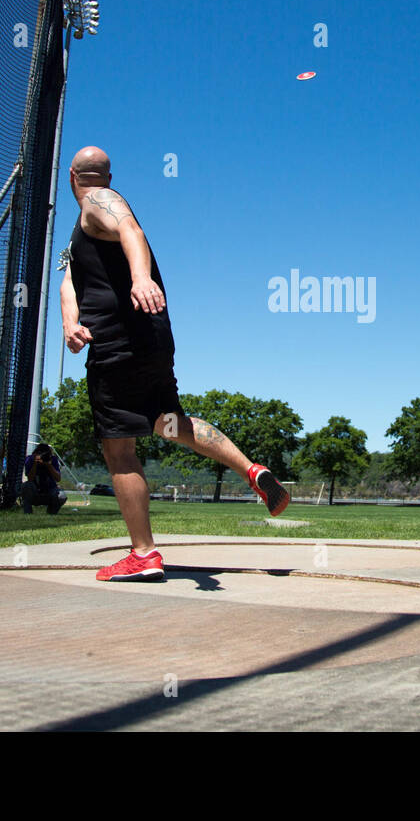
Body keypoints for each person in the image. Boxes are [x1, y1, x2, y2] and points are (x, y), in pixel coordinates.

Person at [62, 146, 289, 582]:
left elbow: (131, 230)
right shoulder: (81, 231)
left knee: (119, 448)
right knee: (168, 421)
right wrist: (71, 323)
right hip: (151, 340)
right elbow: (69, 282)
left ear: (72, 175)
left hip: (117, 343)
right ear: (107, 174)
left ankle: (144, 554)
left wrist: (141, 277)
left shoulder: (99, 202)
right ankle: (251, 469)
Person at [22, 442, 66, 514]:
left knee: (61, 495)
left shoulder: (53, 460)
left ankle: (52, 513)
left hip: (49, 492)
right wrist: (35, 464)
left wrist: (49, 465)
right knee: (26, 486)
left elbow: (58, 479)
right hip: (34, 492)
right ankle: (28, 512)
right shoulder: (30, 460)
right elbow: (30, 479)